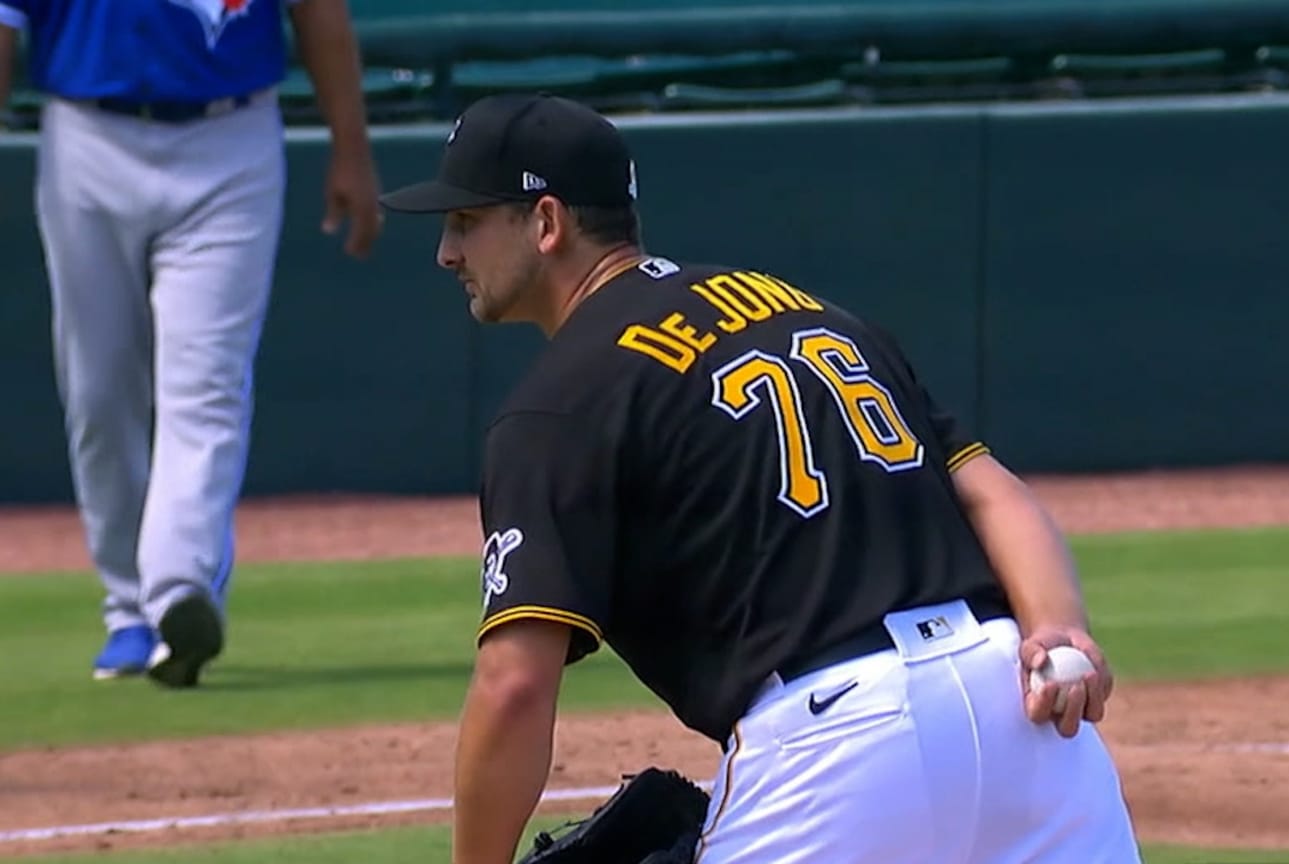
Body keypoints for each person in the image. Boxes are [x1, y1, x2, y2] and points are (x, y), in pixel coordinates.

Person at [379, 92, 1142, 864]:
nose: (447, 253)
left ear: (546, 223)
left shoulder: (555, 407)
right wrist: (1058, 626)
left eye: (466, 221)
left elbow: (514, 687)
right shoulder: (810, 311)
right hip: (1024, 720)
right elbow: (988, 487)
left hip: (836, 751)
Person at [0, 0, 382, 686]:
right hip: (88, 136)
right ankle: (129, 609)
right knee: (98, 390)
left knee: (205, 384)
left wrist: (351, 150)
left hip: (231, 138)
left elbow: (319, 11)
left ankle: (179, 591)